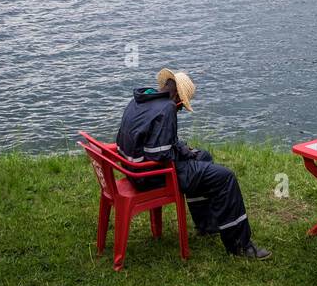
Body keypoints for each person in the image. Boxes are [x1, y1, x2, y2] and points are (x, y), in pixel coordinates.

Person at [116, 68, 271, 260]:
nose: (180, 109)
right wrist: (181, 153)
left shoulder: (140, 100)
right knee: (225, 178)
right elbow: (161, 156)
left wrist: (184, 150)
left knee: (203, 156)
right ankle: (240, 246)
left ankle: (207, 225)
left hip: (134, 169)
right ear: (178, 98)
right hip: (152, 176)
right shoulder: (167, 108)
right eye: (181, 106)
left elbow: (152, 143)